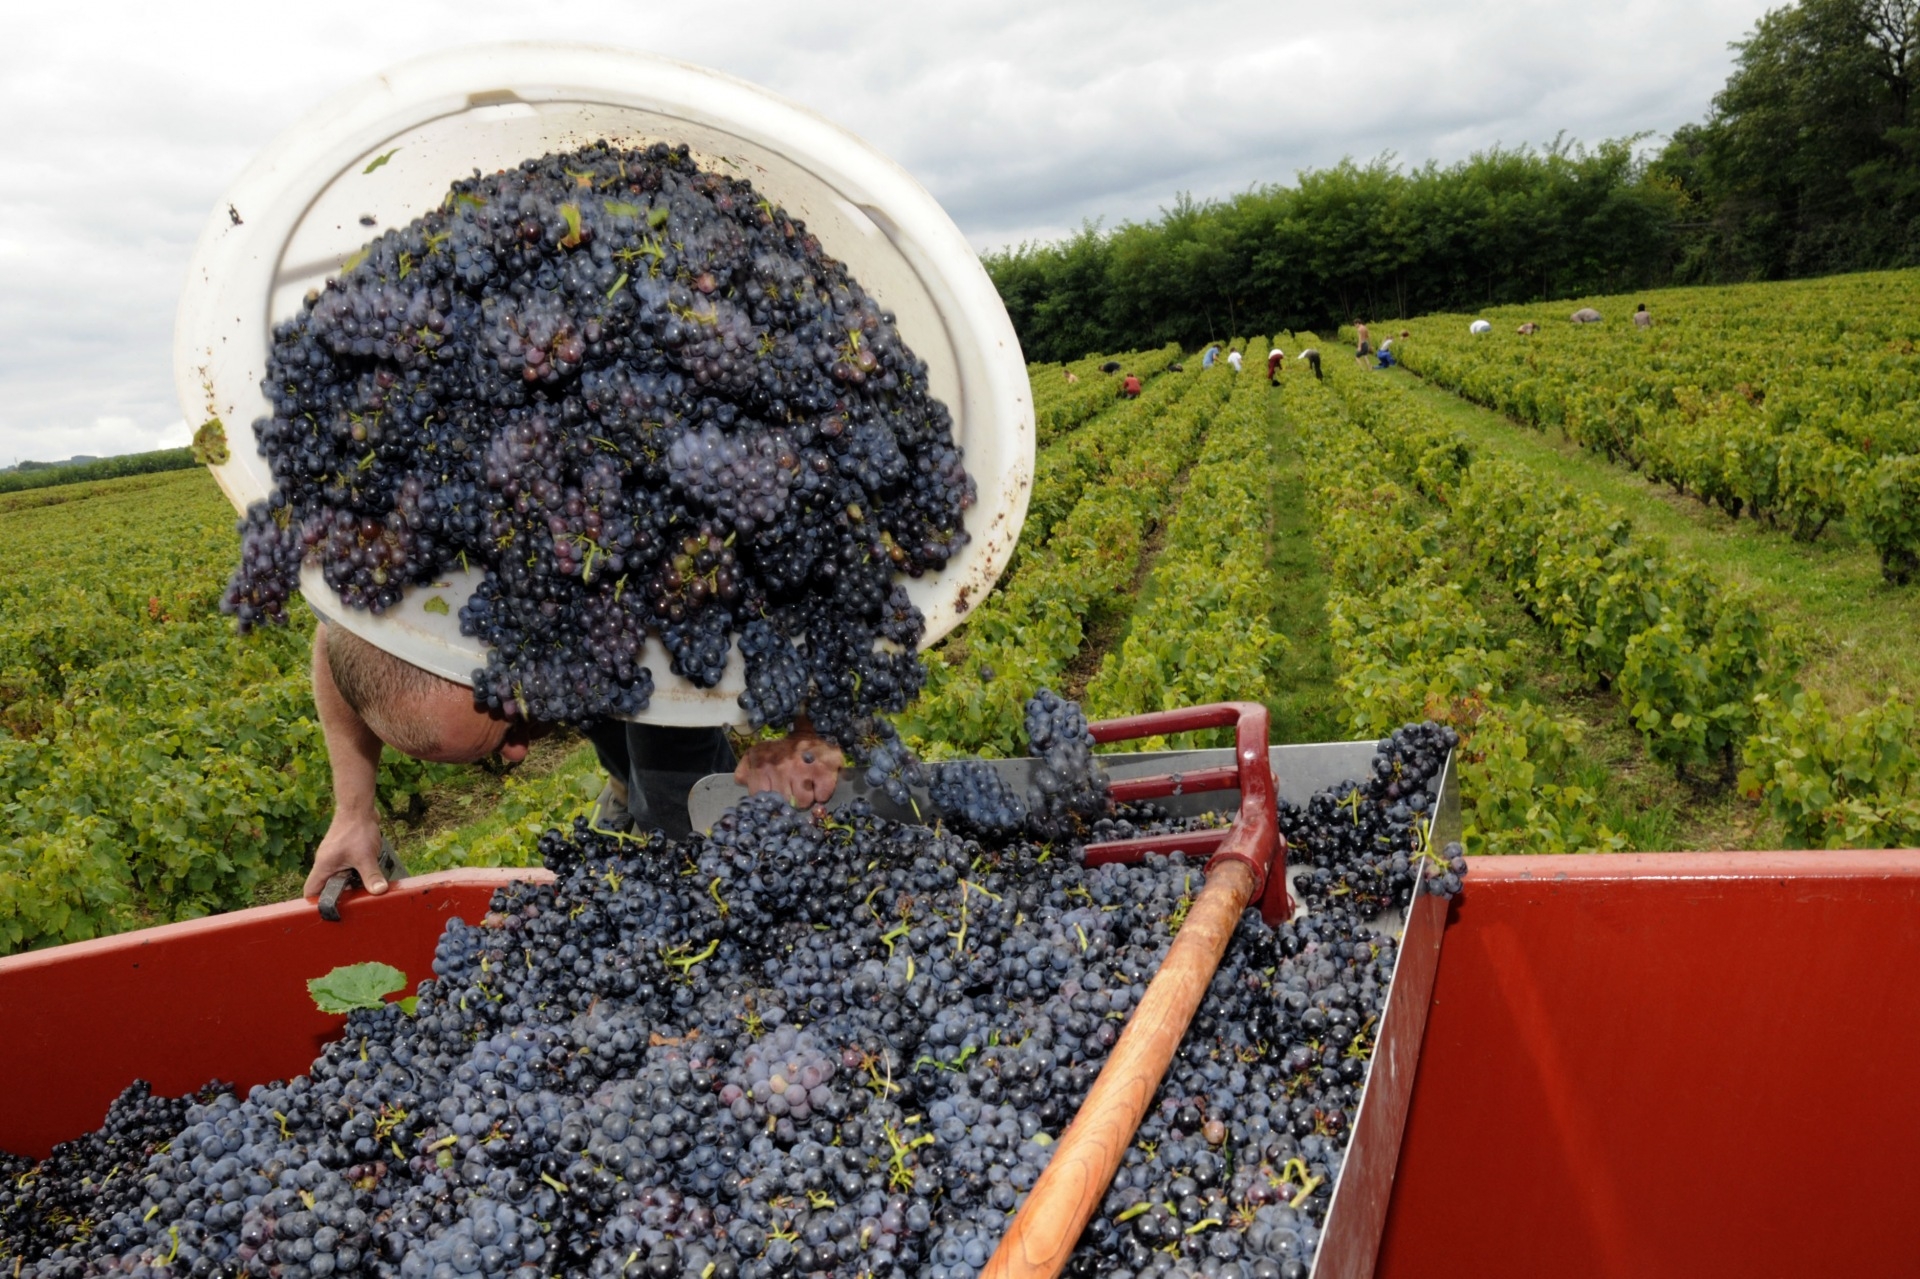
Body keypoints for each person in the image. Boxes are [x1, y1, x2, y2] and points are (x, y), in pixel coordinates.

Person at [304, 620, 839, 901]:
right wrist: (353, 811)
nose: (520, 753)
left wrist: (808, 730)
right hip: (569, 638)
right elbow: (335, 637)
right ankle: (626, 785)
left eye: (511, 727)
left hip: (655, 625)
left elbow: (809, 569)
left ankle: (672, 831)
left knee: (672, 799)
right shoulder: (372, 586)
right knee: (597, 722)